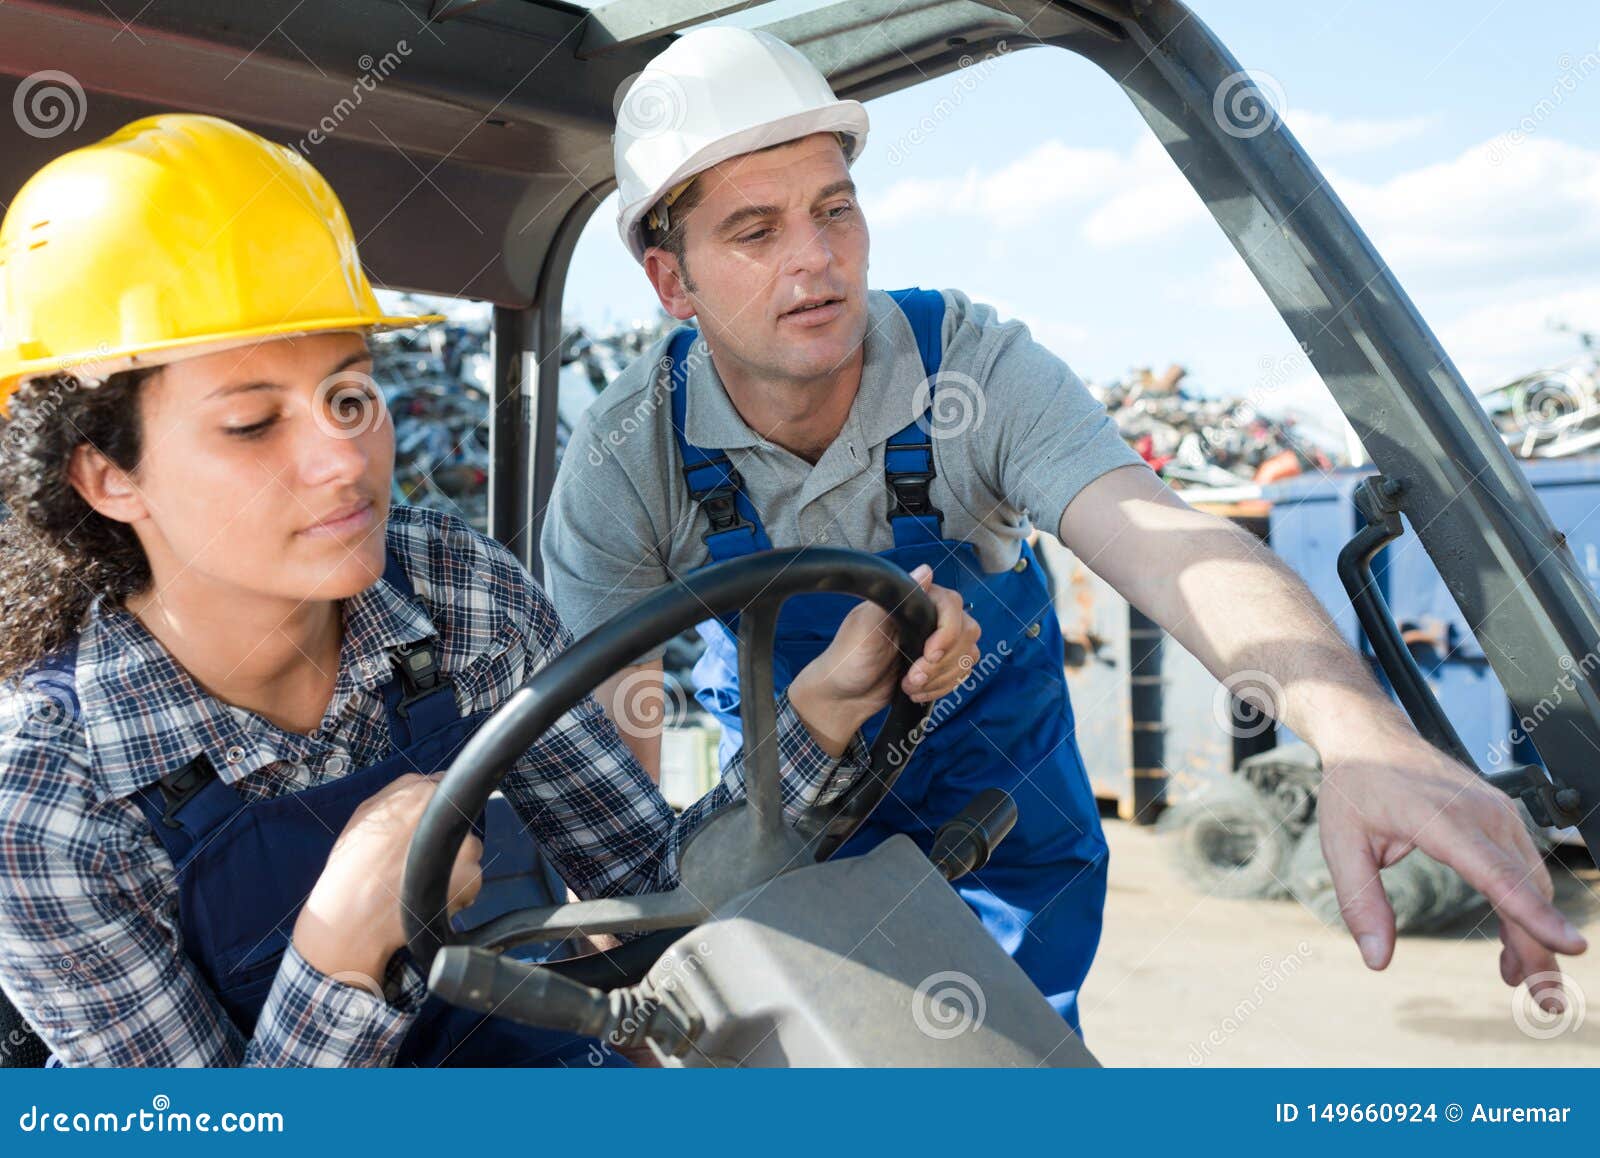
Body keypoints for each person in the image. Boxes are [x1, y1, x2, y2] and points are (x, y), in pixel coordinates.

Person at [542, 27, 1585, 1035]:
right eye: (755, 231)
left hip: (1000, 832)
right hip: (785, 826)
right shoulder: (628, 458)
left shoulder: (975, 372)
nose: (816, 261)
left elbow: (1169, 544)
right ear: (670, 281)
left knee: (1012, 1069)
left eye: (835, 209)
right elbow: (603, 789)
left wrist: (1358, 736)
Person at [0, 113, 981, 1067]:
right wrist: (340, 960)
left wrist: (816, 718)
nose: (345, 458)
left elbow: (648, 889)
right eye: (255, 424)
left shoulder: (446, 588)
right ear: (106, 477)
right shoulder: (46, 797)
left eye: (350, 394)